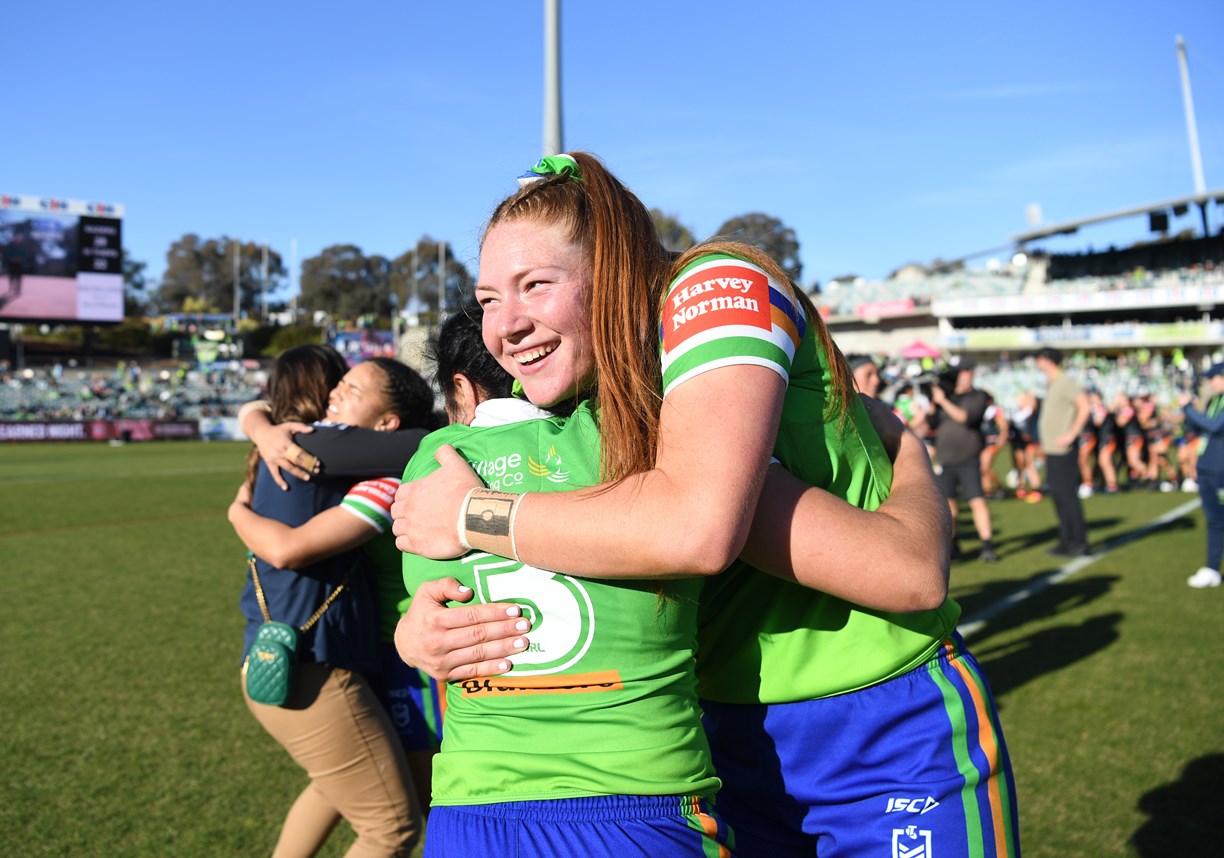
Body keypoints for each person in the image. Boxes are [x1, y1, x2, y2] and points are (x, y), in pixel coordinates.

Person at [392, 152, 1017, 857]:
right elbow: (569, 558)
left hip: (873, 725)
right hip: (710, 738)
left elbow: (719, 531)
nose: (504, 327)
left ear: (616, 266)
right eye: (489, 300)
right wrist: (421, 633)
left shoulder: (713, 287)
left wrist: (476, 515)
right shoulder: (578, 392)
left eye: (536, 285)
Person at [230, 347, 427, 857]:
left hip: (281, 656)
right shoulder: (319, 447)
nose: (339, 394)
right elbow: (424, 442)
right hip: (317, 668)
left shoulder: (277, 450)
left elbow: (252, 410)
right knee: (392, 828)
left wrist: (257, 428)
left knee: (334, 789)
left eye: (352, 388)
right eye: (339, 384)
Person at [923, 358, 999, 561]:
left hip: (968, 458)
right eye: (959, 372)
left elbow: (966, 418)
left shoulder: (978, 396)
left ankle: (987, 545)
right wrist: (933, 400)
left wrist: (943, 401)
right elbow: (932, 422)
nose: (962, 376)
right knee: (949, 506)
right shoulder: (947, 397)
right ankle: (954, 544)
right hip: (946, 460)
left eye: (965, 371)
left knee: (977, 501)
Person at [1035, 346, 1091, 557]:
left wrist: (1071, 433)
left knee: (1067, 496)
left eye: (1039, 358)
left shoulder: (1065, 382)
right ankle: (1066, 539)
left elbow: (1084, 406)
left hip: (1063, 450)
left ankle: (1078, 541)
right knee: (1059, 496)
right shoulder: (1054, 382)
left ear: (1048, 360)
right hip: (1052, 449)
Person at [1179, 362, 1224, 588]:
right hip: (1208, 466)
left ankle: (1212, 568)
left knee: (1219, 519)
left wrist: (1188, 408)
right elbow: (1202, 428)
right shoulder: (1215, 399)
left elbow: (1215, 426)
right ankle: (1212, 568)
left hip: (1221, 469)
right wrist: (1187, 413)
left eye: (1213, 378)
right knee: (1214, 520)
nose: (1210, 383)